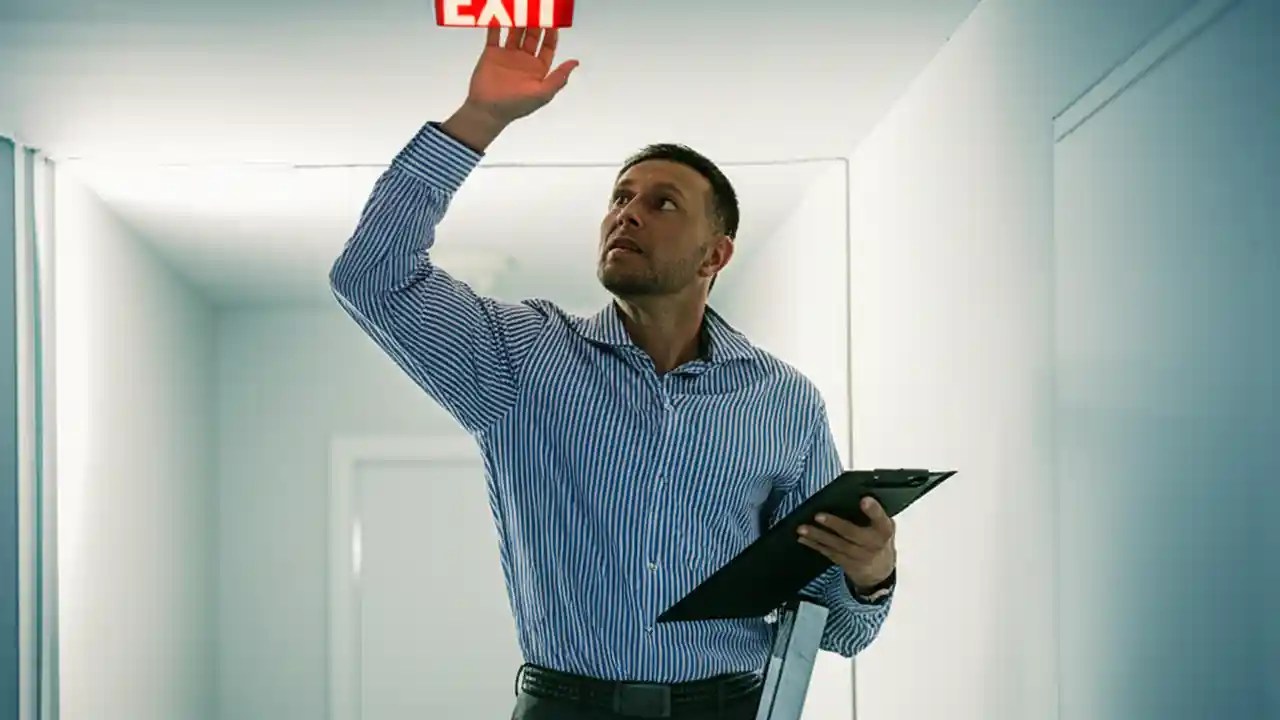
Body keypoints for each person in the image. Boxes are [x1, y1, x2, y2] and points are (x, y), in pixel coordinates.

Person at [330, 26, 899, 720]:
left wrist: (871, 577)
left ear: (713, 256)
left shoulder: (783, 404)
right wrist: (478, 120)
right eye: (621, 197)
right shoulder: (525, 356)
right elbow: (372, 276)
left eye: (662, 204)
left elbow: (835, 629)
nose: (626, 213)